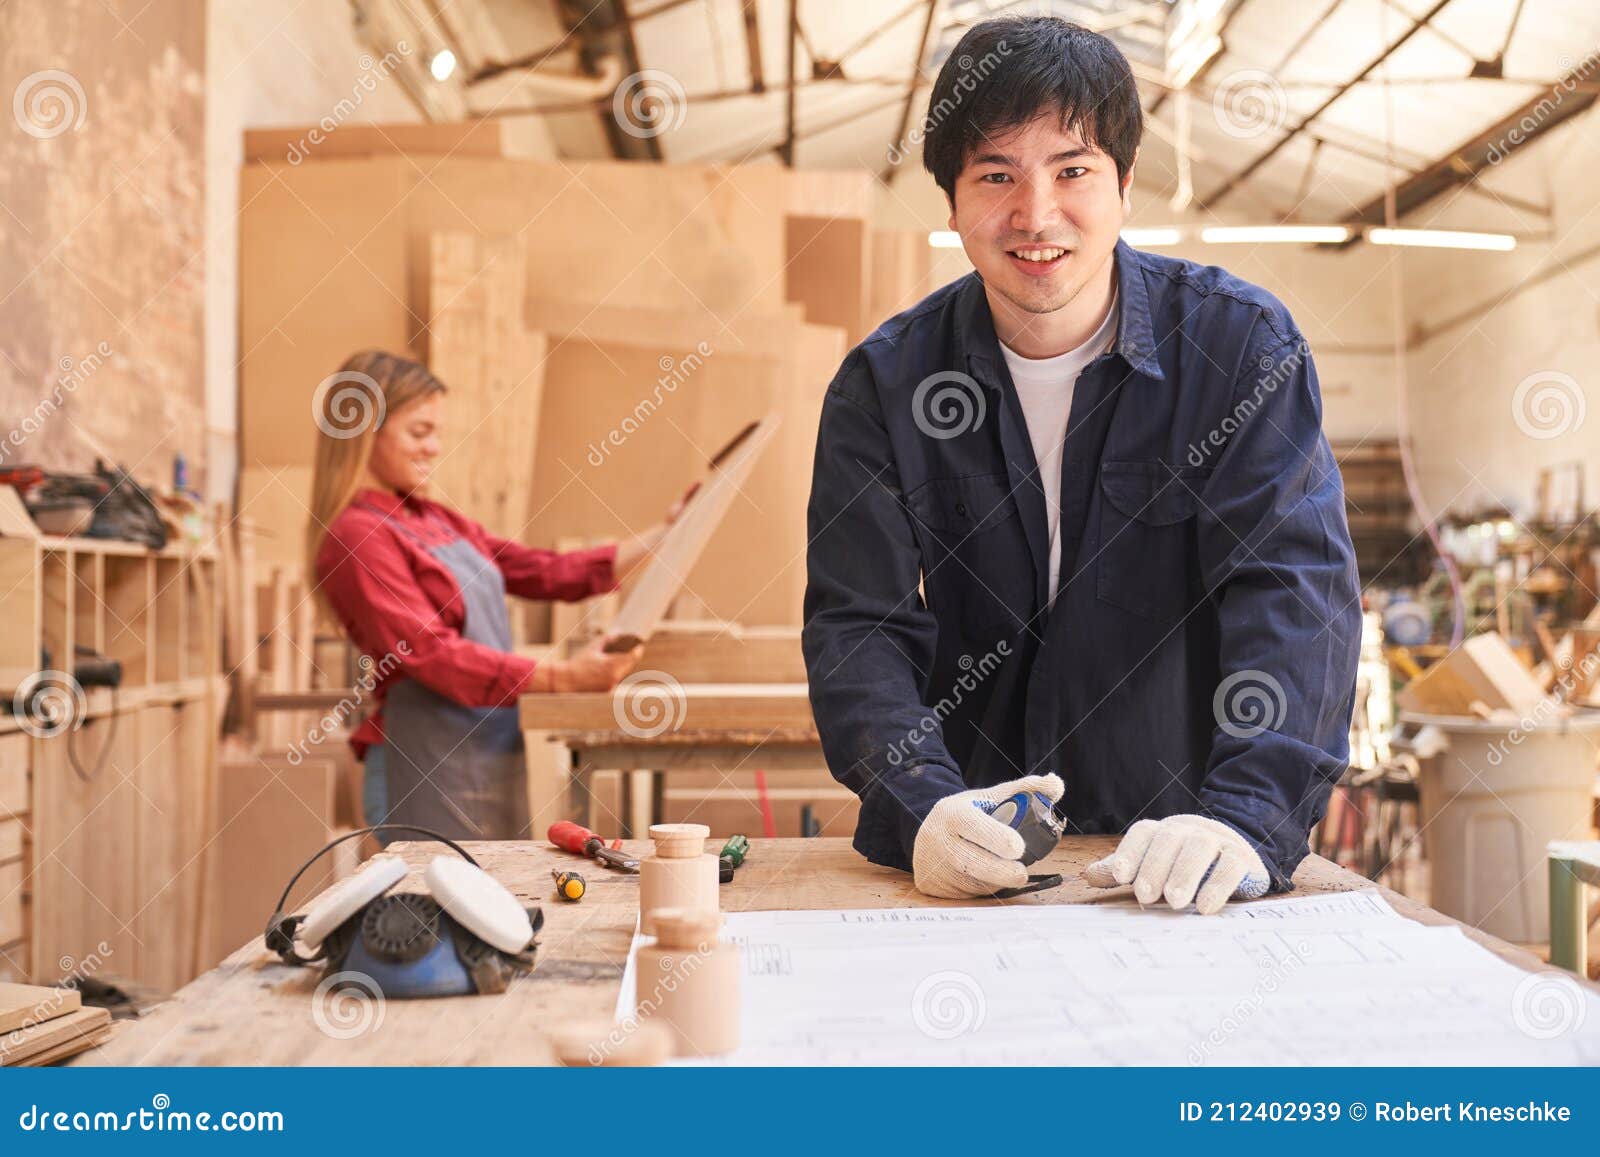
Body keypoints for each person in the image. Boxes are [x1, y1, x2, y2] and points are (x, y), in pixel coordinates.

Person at [802, 17, 1361, 913]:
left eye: (1072, 171)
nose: (1035, 215)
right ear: (950, 201)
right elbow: (858, 626)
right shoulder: (887, 385)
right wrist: (921, 807)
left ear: (1126, 183)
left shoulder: (1237, 350)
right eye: (996, 176)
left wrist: (1248, 818)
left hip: (1184, 866)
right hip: (974, 868)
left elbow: (1294, 592)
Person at [307, 351, 678, 841]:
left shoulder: (432, 518)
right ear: (362, 432)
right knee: (439, 893)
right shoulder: (357, 536)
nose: (434, 447)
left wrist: (667, 533)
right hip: (426, 763)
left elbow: (542, 571)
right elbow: (432, 654)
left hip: (487, 750)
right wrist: (565, 678)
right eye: (419, 432)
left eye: (437, 433)